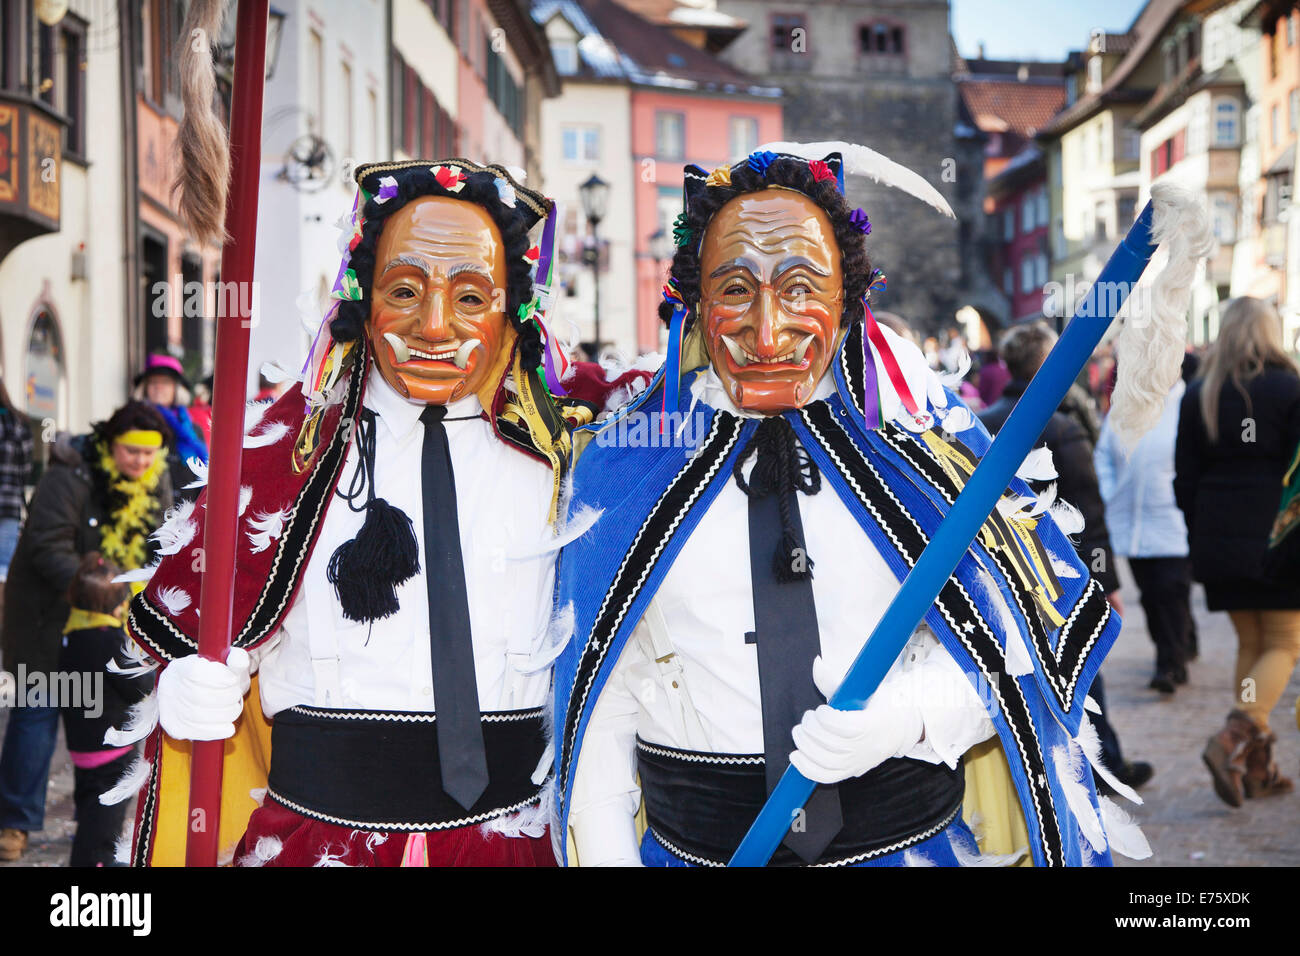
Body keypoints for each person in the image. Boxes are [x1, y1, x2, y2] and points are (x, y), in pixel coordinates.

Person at [552, 147, 1139, 868]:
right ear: (696, 301)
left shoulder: (929, 451)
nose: (768, 333)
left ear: (847, 297)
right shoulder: (629, 465)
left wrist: (910, 716)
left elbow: (1027, 651)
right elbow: (600, 696)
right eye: (735, 288)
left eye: (801, 288)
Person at [118, 158, 617, 867]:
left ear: (513, 305)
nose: (436, 324)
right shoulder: (290, 448)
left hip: (512, 845)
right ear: (362, 294)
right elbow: (209, 616)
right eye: (405, 290)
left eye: (472, 297)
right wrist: (189, 679)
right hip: (321, 840)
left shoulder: (576, 442)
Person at [978, 322, 1153, 794]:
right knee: (1080, 669)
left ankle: (1068, 765)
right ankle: (1101, 765)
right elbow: (1089, 513)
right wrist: (1106, 582)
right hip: (1062, 578)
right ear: (1046, 365)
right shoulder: (1060, 424)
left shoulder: (983, 422)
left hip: (1002, 574)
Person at [0, 401, 173, 862]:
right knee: (37, 715)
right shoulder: (69, 477)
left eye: (147, 453)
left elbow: (161, 543)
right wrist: (99, 587)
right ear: (109, 444)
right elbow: (46, 546)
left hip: (103, 632)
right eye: (129, 451)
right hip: (47, 619)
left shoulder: (156, 480)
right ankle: (15, 822)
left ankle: (91, 819)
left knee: (95, 724)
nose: (139, 462)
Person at [1175, 296, 1300, 807]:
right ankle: (1237, 732)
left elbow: (1185, 479)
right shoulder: (1290, 388)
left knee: (1251, 642)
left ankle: (1255, 764)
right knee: (1285, 644)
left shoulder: (1200, 391)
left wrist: (1202, 529)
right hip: (1278, 534)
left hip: (1218, 535)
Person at [1096, 375, 1196, 693]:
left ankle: (1169, 663)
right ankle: (1182, 643)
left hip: (1173, 521)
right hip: (1133, 524)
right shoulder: (1125, 405)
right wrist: (1112, 493)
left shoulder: (1188, 403)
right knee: (1152, 596)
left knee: (1170, 590)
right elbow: (1103, 454)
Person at [58, 552, 153, 866]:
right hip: (111, 749)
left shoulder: (70, 637)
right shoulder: (112, 642)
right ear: (117, 606)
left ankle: (91, 855)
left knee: (90, 808)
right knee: (105, 822)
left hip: (81, 747)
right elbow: (138, 686)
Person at [134, 353, 208, 500]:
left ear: (177, 389)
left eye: (166, 382)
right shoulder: (135, 424)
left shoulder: (192, 428)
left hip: (187, 512)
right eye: (153, 382)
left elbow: (203, 472)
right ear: (145, 388)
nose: (159, 387)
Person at [0, 377, 32, 584]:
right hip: (9, 504)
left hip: (9, 504)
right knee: (4, 565)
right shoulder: (19, 422)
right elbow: (26, 469)